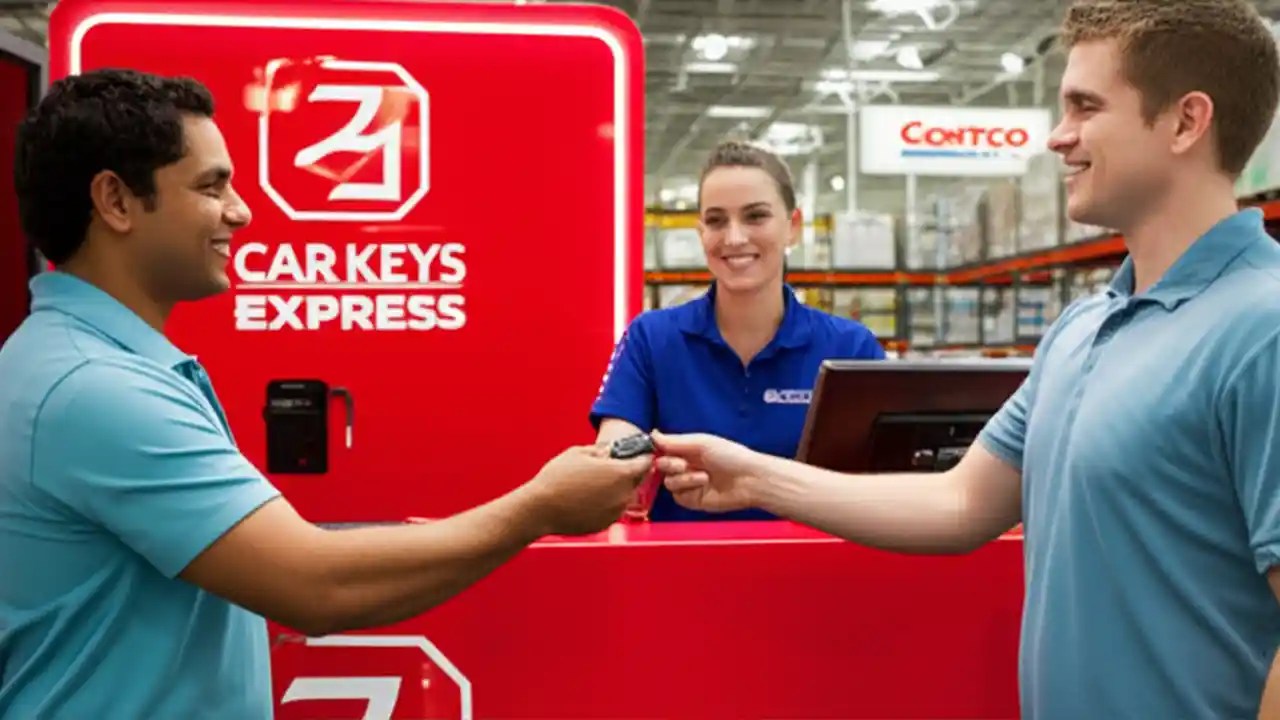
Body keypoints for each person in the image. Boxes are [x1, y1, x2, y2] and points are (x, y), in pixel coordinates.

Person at [652, 1, 1280, 718]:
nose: (1058, 136)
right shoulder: (1081, 329)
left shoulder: (1262, 327)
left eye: (1084, 107)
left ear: (1185, 121)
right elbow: (958, 502)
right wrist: (754, 476)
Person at [0, 69, 652, 719]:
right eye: (210, 185)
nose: (241, 210)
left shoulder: (76, 363)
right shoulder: (94, 388)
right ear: (115, 201)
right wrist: (537, 509)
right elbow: (315, 583)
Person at [590, 140, 886, 522]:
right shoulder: (651, 337)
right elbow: (612, 454)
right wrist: (627, 470)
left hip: (812, 570)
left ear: (792, 227)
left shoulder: (851, 347)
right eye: (716, 221)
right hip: (678, 569)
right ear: (701, 233)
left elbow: (883, 484)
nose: (733, 238)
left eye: (755, 216)